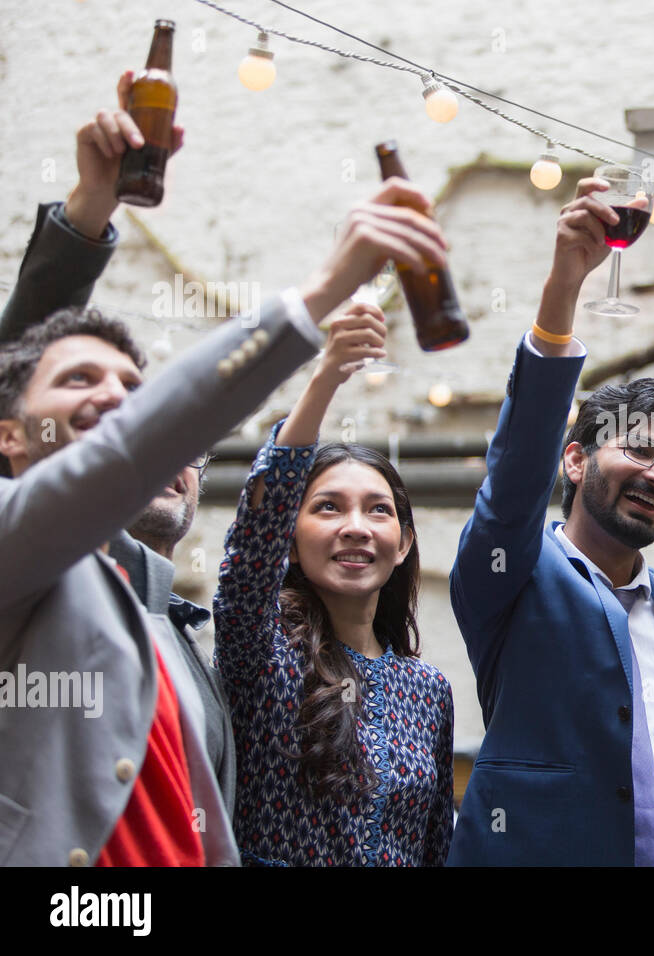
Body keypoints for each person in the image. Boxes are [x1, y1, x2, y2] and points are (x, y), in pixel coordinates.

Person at [0, 171, 453, 866]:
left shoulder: (154, 613)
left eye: (132, 387)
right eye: (80, 381)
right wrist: (320, 306)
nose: (119, 399)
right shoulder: (23, 559)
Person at [448, 177, 654, 866]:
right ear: (576, 461)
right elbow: (513, 480)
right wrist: (563, 292)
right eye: (640, 448)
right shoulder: (512, 575)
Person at [0, 74, 237, 816]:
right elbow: (20, 368)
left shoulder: (189, 634)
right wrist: (90, 205)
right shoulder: (25, 573)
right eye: (87, 389)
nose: (122, 408)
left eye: (140, 399)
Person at [212, 301, 453, 867]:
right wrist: (325, 377)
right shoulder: (261, 652)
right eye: (327, 508)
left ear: (404, 543)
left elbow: (436, 846)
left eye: (377, 511)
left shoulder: (429, 689)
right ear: (290, 539)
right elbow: (250, 549)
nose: (354, 528)